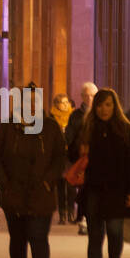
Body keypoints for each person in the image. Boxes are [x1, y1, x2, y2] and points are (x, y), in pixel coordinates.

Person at [0, 87, 65, 258]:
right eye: (26, 101)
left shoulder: (50, 127)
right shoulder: (8, 128)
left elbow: (59, 159)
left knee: (38, 237)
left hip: (41, 195)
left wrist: (48, 182)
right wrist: (5, 185)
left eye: (34, 101)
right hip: (14, 195)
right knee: (18, 239)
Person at [76, 89, 130, 258]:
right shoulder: (87, 128)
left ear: (115, 106)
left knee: (115, 233)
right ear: (94, 107)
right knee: (95, 235)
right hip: (93, 189)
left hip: (117, 190)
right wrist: (80, 148)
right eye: (100, 105)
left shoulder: (125, 129)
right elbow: (72, 154)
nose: (104, 109)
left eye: (108, 105)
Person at [65, 82, 97, 234]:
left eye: (92, 95)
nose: (90, 98)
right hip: (81, 158)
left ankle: (86, 216)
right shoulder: (76, 115)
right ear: (82, 97)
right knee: (83, 187)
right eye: (87, 95)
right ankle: (83, 216)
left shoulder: (100, 113)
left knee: (89, 188)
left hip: (96, 158)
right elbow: (69, 136)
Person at [50, 94, 75, 224]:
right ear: (56, 105)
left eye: (66, 102)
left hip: (70, 156)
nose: (65, 105)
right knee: (60, 187)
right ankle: (62, 214)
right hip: (58, 156)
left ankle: (71, 212)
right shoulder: (52, 118)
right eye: (61, 103)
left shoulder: (73, 117)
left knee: (71, 186)